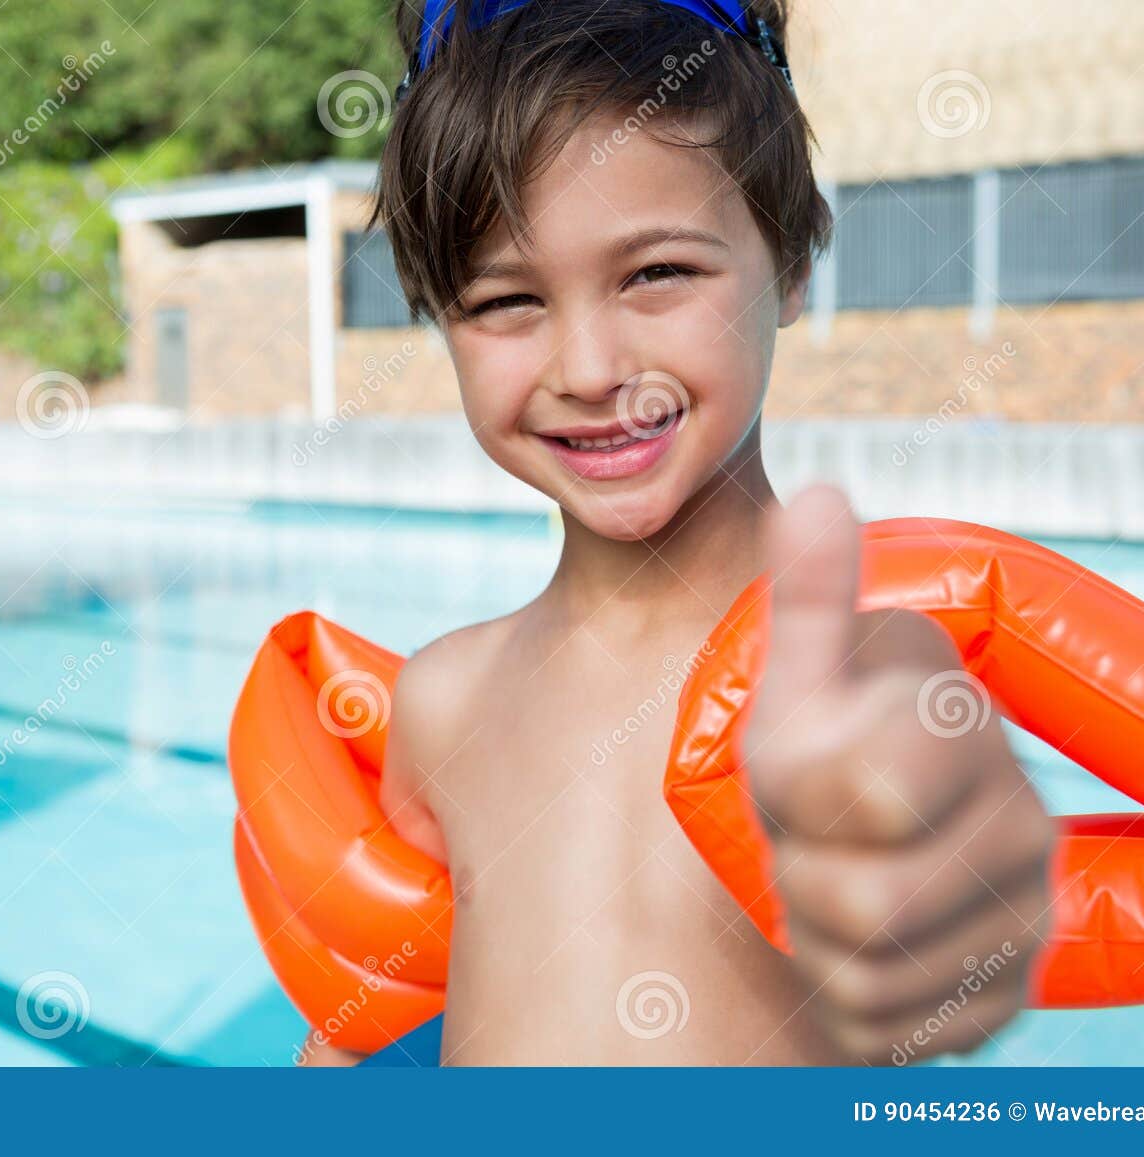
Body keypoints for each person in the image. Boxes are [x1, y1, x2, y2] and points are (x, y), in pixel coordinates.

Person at [302, 0, 1051, 1065]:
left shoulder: (855, 669)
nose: (589, 366)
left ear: (791, 260)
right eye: (506, 299)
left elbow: (952, 874)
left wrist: (954, 906)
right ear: (436, 313)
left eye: (656, 273)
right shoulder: (440, 699)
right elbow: (383, 993)